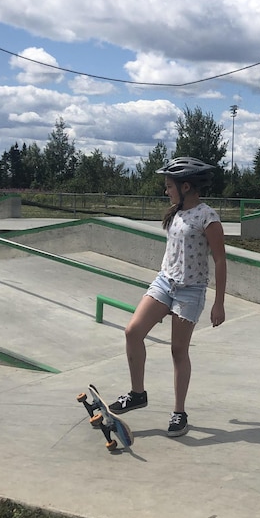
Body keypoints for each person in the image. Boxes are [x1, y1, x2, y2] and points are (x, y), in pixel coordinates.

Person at [108, 156, 227, 437]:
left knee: (178, 351)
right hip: (164, 282)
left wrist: (219, 303)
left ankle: (179, 413)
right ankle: (138, 394)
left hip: (191, 290)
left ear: (186, 186)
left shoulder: (208, 217)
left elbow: (220, 260)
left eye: (169, 186)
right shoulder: (175, 212)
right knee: (132, 332)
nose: (166, 191)